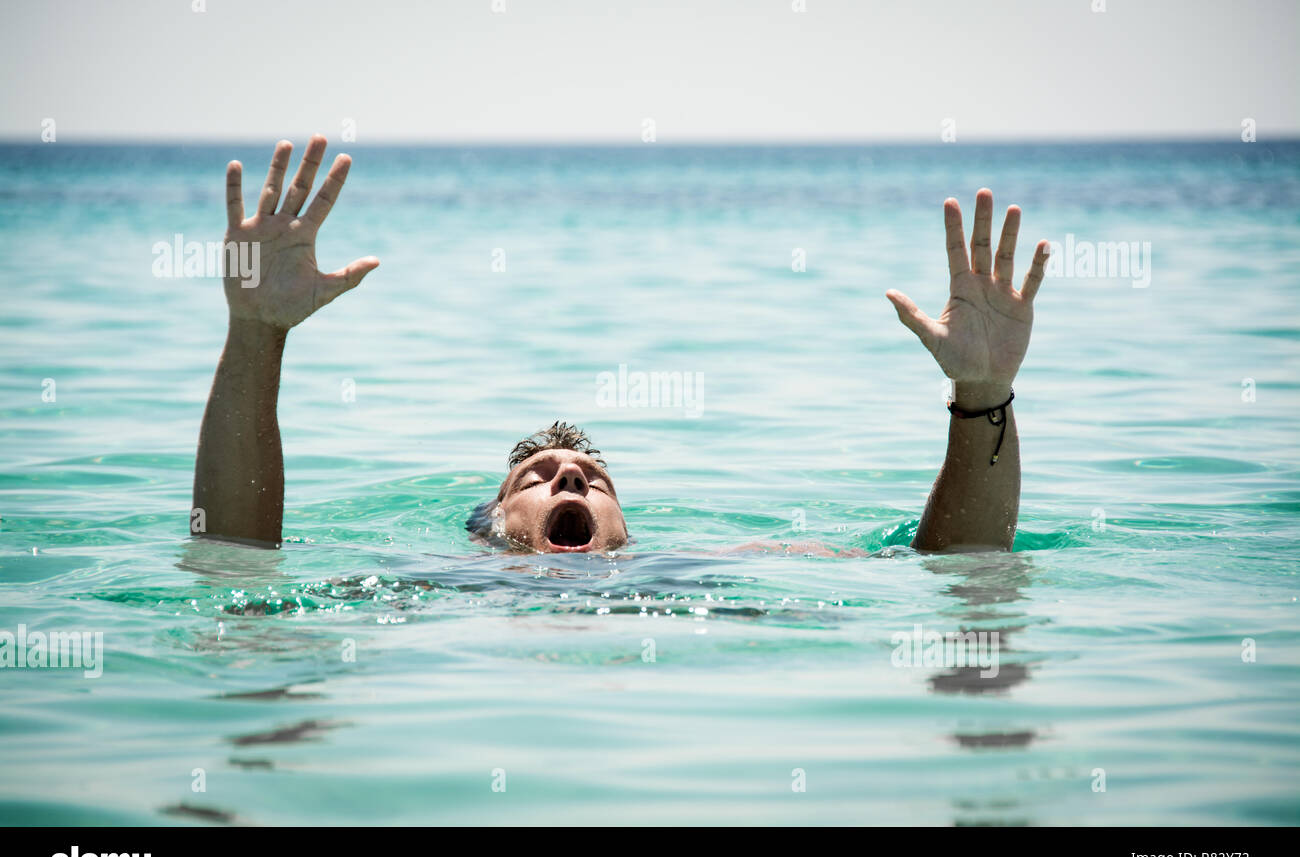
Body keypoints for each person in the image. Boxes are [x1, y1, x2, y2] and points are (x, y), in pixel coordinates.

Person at [192, 136, 1051, 555]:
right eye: (538, 478)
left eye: (592, 480)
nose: (570, 476)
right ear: (489, 529)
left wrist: (982, 398)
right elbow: (236, 571)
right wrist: (255, 335)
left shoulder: (699, 583)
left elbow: (961, 572)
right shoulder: (428, 600)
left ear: (626, 530)